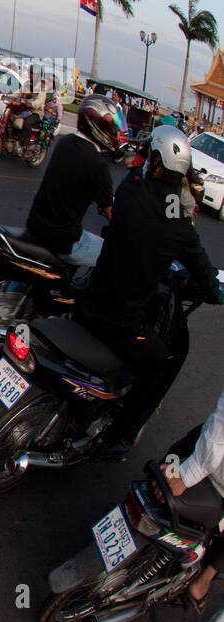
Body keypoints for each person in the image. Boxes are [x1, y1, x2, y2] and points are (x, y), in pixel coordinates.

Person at [76, 125, 222, 457]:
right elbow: (203, 272)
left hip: (88, 299)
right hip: (118, 322)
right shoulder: (180, 223)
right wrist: (216, 292)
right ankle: (116, 437)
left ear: (154, 160)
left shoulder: (129, 192)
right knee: (158, 363)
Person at [25, 94, 121, 265]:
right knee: (114, 253)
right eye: (112, 128)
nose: (116, 133)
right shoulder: (98, 165)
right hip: (62, 240)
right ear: (99, 126)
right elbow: (111, 213)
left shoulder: (66, 142)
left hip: (35, 224)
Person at [162, 392, 224, 611]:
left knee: (160, 474)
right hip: (198, 467)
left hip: (191, 451)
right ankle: (201, 583)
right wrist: (188, 474)